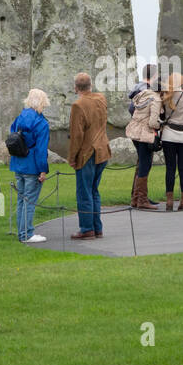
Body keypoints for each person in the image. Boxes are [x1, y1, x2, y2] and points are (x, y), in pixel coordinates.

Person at [67, 72, 111, 239]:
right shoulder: (101, 98)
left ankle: (87, 229)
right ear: (90, 85)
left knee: (84, 192)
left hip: (88, 153)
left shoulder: (78, 105)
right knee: (94, 191)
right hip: (102, 149)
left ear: (75, 87)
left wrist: (72, 157)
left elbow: (76, 136)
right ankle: (97, 227)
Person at [8, 88, 51, 243]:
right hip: (32, 166)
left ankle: (22, 231)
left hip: (18, 163)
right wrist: (43, 171)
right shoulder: (41, 123)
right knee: (30, 201)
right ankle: (26, 234)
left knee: (21, 200)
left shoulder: (19, 118)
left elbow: (13, 136)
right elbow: (41, 150)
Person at [125, 71, 163, 211]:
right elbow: (153, 122)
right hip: (145, 135)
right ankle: (142, 200)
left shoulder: (142, 94)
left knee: (141, 164)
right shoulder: (156, 99)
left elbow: (132, 109)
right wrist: (162, 124)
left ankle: (135, 199)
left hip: (134, 131)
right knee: (145, 165)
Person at [159, 73, 183, 211]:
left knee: (170, 168)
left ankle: (169, 201)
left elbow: (162, 116)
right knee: (182, 168)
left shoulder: (165, 97)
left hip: (169, 134)